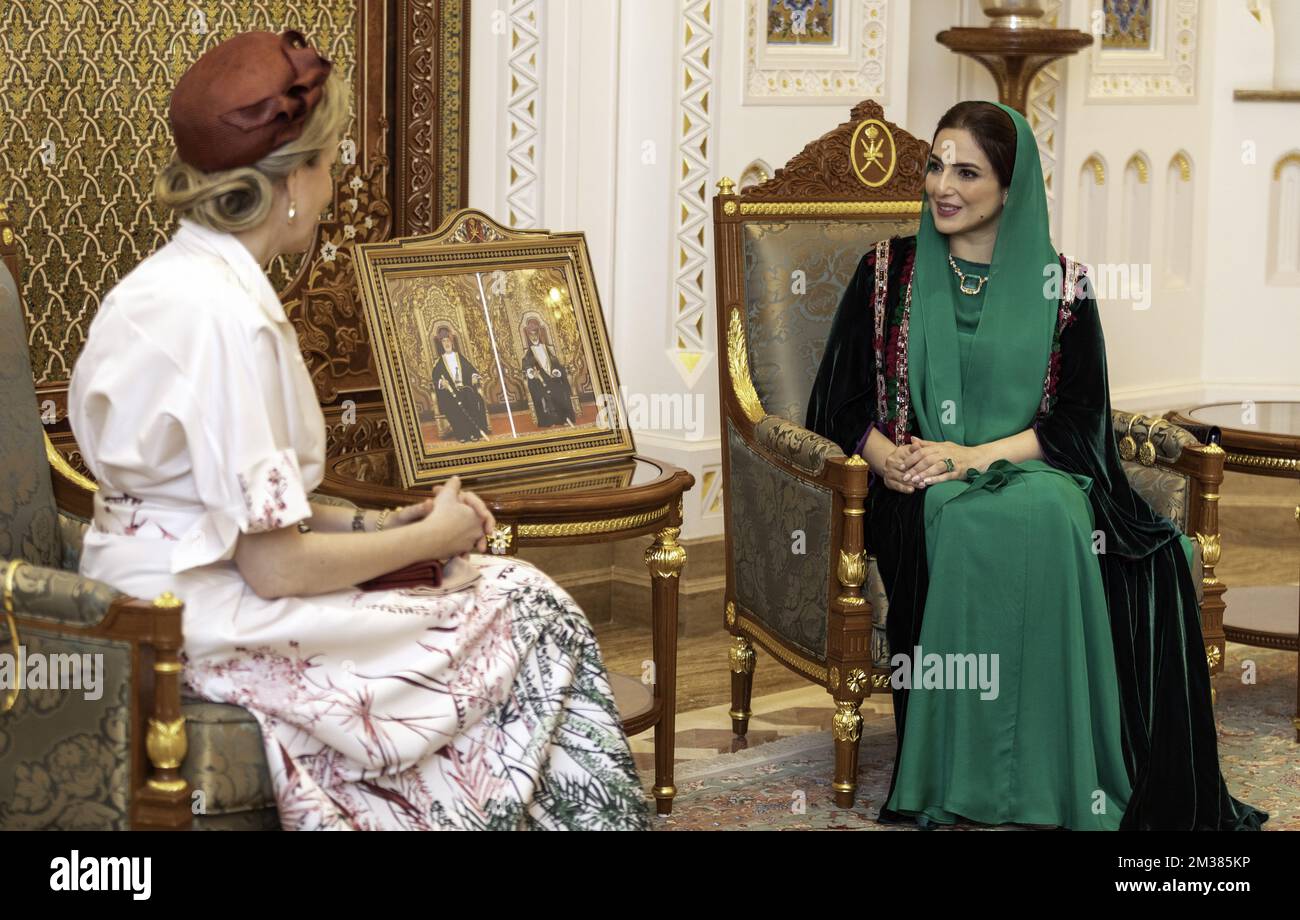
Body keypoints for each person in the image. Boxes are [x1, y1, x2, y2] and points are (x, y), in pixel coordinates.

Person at [67, 30, 649, 831]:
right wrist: (425, 540)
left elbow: (242, 510)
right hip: (195, 623)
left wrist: (387, 523)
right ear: (289, 183)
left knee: (504, 595)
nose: (336, 180)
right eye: (329, 159)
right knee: (529, 607)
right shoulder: (225, 320)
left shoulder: (174, 284)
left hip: (165, 590)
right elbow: (272, 565)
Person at [806, 100, 1267, 831]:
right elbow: (837, 403)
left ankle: (1056, 780)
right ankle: (957, 777)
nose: (941, 186)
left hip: (1025, 467)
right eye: (935, 165)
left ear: (1011, 187)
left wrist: (972, 455)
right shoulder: (887, 272)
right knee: (959, 526)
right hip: (914, 486)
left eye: (966, 172)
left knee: (1054, 516)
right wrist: (890, 458)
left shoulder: (1065, 285)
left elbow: (1078, 422)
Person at [431, 327, 492, 442]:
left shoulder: (460, 357)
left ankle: (474, 433)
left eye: (448, 341)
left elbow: (471, 370)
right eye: (444, 342)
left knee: (471, 399)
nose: (446, 343)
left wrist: (474, 377)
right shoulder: (439, 362)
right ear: (441, 344)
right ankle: (462, 434)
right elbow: (435, 378)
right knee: (453, 405)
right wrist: (441, 382)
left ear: (451, 342)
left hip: (465, 389)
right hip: (451, 393)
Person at [521, 320, 576, 428]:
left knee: (560, 390)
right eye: (531, 335)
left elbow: (556, 364)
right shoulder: (528, 353)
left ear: (538, 334)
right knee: (543, 394)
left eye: (535, 334)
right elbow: (527, 367)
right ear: (528, 336)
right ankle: (549, 421)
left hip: (552, 378)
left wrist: (556, 372)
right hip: (539, 380)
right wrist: (532, 373)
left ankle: (565, 418)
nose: (534, 337)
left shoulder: (547, 349)